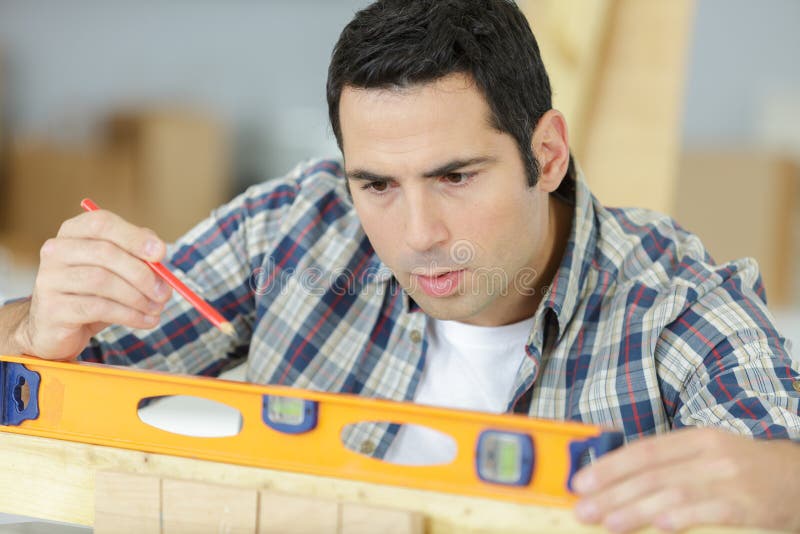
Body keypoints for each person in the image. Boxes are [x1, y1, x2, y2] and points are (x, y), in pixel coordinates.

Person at [1, 0, 799, 531]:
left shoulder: (672, 300)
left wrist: (782, 485)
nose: (417, 233)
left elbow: (777, 457)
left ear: (546, 153)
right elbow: (50, 372)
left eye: (455, 177)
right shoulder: (297, 229)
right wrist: (36, 326)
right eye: (377, 184)